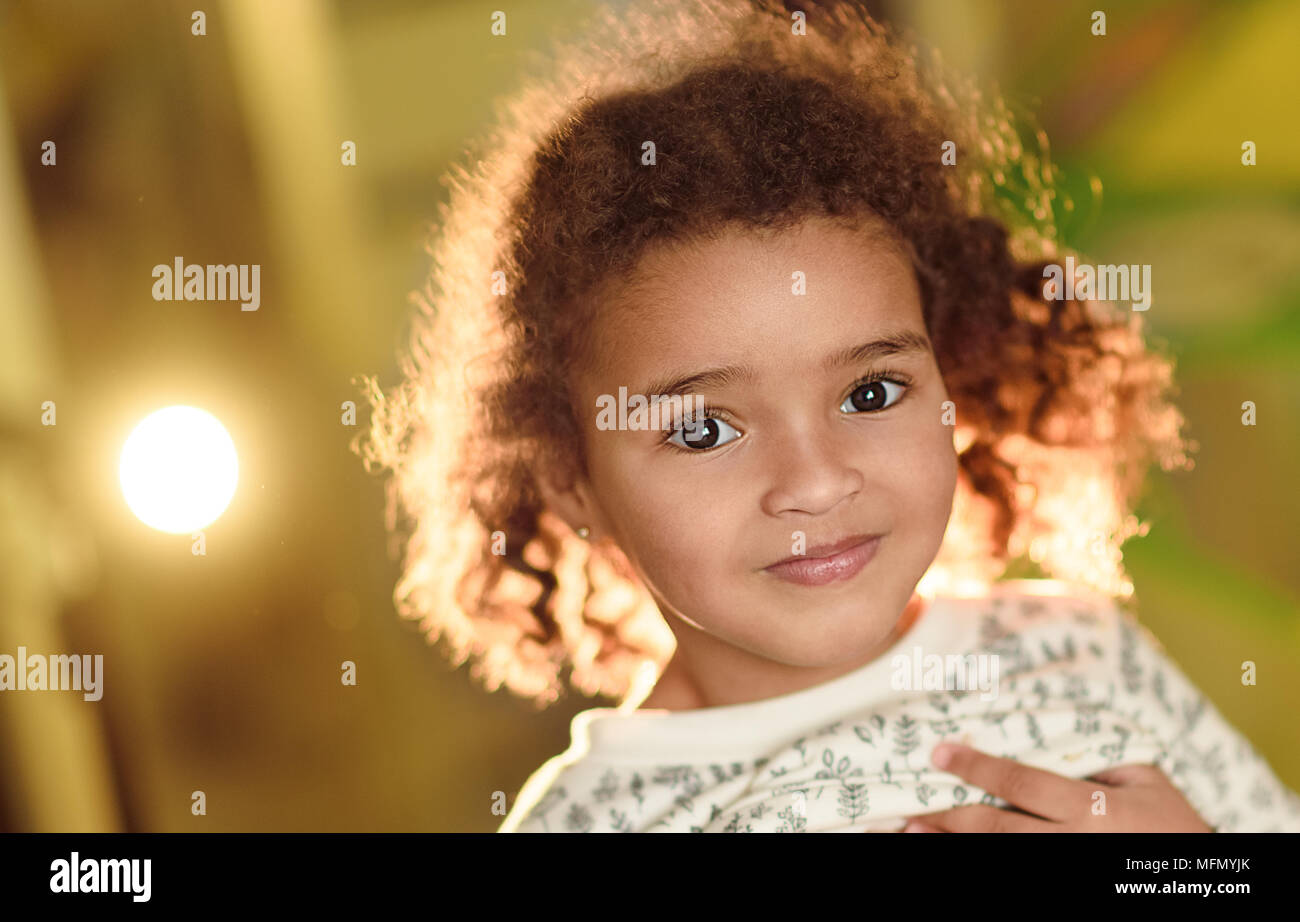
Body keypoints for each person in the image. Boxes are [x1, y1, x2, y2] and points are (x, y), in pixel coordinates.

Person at [357, 0, 1300, 832]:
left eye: (870, 393)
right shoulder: (598, 821)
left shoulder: (1081, 654)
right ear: (574, 484)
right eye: (704, 430)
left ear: (952, 384)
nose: (815, 481)